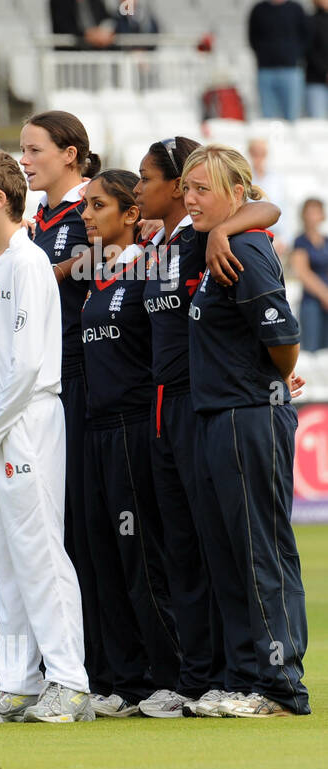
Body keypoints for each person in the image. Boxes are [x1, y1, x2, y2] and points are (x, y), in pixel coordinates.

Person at [133, 136, 285, 718]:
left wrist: (222, 229)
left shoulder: (208, 236)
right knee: (184, 547)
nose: (143, 188)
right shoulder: (161, 245)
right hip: (165, 403)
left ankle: (245, 675)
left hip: (208, 400)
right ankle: (199, 676)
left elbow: (264, 208)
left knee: (224, 543)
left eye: (151, 179)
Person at [0, 149, 92, 724]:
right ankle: (18, 681)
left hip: (28, 419)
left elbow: (29, 362)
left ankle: (71, 681)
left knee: (39, 550)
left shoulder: (29, 262)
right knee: (7, 557)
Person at [182, 144, 309, 717]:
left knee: (260, 548)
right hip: (217, 414)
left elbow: (283, 342)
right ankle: (245, 678)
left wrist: (271, 381)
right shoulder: (214, 244)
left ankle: (280, 685)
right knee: (228, 552)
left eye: (202, 188)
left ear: (236, 192)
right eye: (187, 188)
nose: (190, 199)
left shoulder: (246, 250)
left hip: (247, 413)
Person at [77, 169, 181, 718]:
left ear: (131, 214)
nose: (87, 215)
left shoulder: (153, 268)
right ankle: (125, 678)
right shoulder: (95, 274)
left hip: (135, 427)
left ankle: (169, 676)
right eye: (86, 206)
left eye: (98, 206)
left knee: (143, 554)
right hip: (95, 428)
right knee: (107, 556)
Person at [19, 111, 104, 700]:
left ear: (71, 154)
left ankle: (92, 671)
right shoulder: (36, 221)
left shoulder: (89, 210)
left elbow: (127, 255)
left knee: (82, 528)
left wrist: (55, 267)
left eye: (35, 149)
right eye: (21, 150)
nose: (25, 159)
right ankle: (66, 668)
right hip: (49, 382)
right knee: (55, 529)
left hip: (80, 379)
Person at [249, 0, 308, 120]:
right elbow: (252, 37)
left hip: (291, 70)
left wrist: (295, 55)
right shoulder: (258, 9)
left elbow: (306, 35)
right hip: (265, 71)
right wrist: (263, 54)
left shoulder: (296, 8)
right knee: (268, 117)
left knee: (292, 116)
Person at [292, 197, 328, 351]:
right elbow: (303, 272)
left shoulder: (326, 240)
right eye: (310, 212)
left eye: (316, 212)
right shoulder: (300, 242)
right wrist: (324, 295)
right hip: (312, 302)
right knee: (312, 350)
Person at [307, 0, 328, 118]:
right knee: (317, 123)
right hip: (316, 81)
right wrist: (325, 72)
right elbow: (309, 50)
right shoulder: (311, 21)